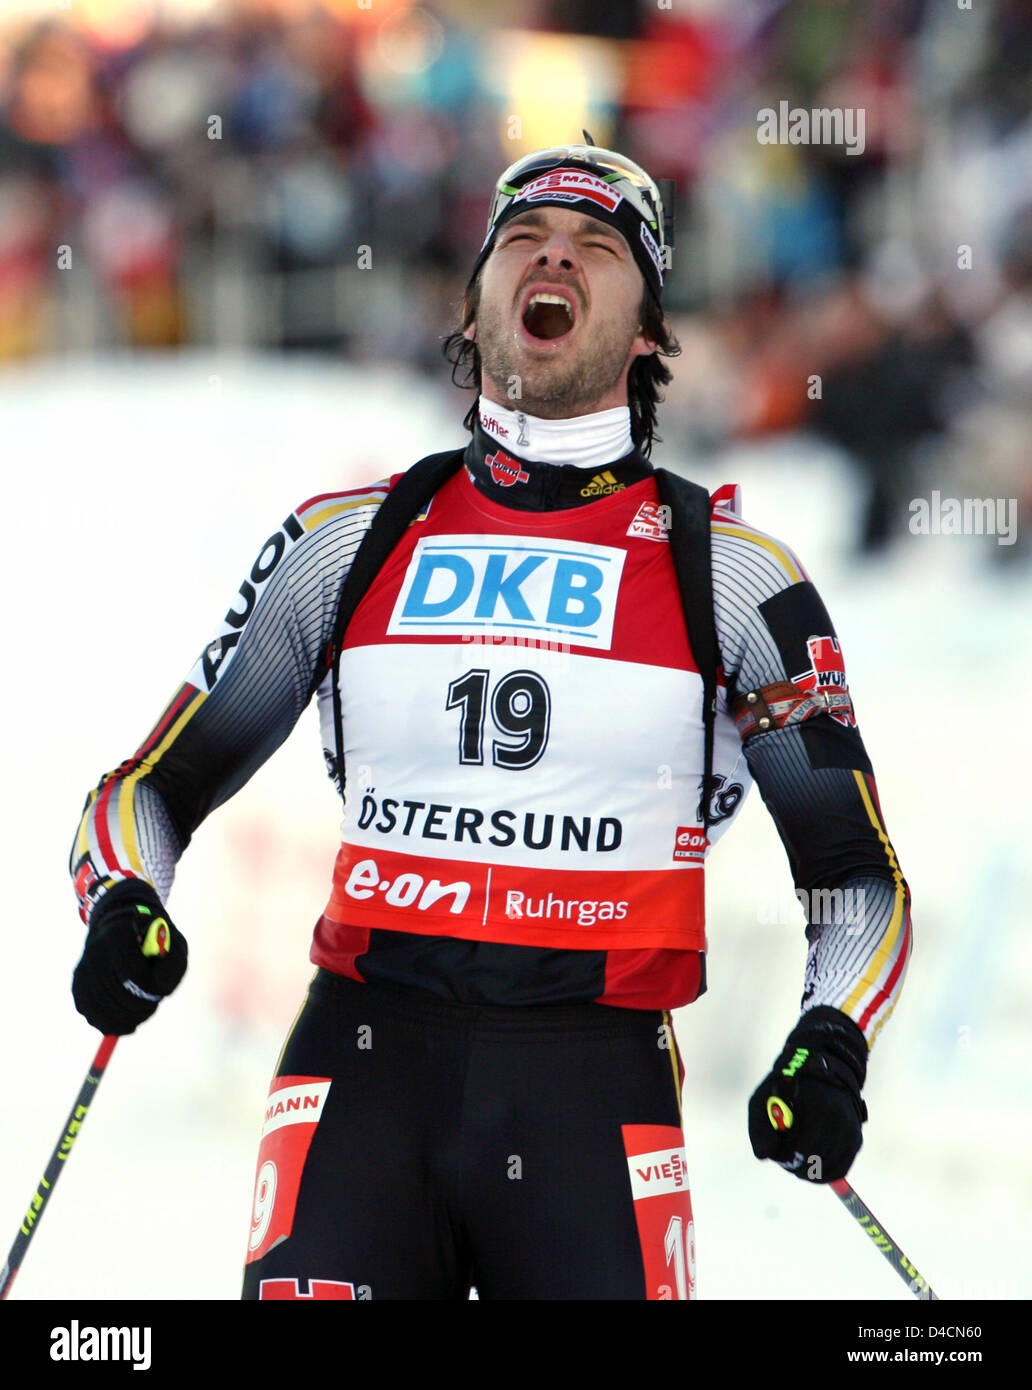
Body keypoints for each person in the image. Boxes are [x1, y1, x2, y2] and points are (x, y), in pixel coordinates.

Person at [69, 142, 911, 1301]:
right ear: (473, 304)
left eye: (597, 247)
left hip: (589, 1086)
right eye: (521, 240)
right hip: (361, 1070)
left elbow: (854, 870)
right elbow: (153, 786)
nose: (553, 252)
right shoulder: (347, 539)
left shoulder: (731, 576)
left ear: (654, 331)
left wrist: (833, 1044)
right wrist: (122, 902)